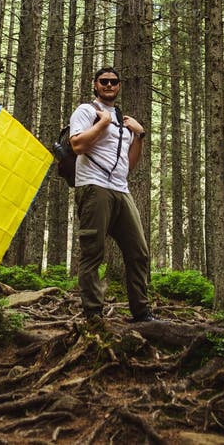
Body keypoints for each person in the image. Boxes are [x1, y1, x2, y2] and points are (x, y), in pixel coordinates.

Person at [69, 66, 155, 322]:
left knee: (138, 252)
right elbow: (77, 145)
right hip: (93, 186)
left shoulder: (123, 120)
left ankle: (141, 313)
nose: (109, 85)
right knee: (93, 252)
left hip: (120, 189)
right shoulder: (87, 111)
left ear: (119, 86)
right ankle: (93, 314)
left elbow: (129, 164)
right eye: (104, 81)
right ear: (95, 85)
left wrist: (139, 135)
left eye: (113, 81)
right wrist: (103, 123)